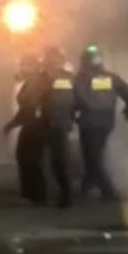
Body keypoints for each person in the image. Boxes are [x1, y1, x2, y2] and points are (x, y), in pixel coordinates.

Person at [73, 44, 128, 199]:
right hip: (106, 121)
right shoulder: (111, 77)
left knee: (92, 156)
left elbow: (76, 99)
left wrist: (70, 114)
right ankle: (86, 186)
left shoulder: (81, 78)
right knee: (93, 155)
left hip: (89, 121)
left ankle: (108, 190)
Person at [6, 53, 49, 205]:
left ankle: (36, 194)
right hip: (31, 125)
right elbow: (25, 108)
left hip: (36, 127)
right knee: (26, 158)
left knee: (30, 159)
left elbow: (28, 108)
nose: (22, 69)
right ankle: (32, 193)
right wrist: (12, 124)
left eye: (25, 65)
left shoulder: (37, 82)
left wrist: (12, 124)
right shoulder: (33, 81)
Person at [38, 46, 79, 208]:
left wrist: (72, 117)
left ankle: (65, 195)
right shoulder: (42, 77)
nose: (53, 61)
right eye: (50, 58)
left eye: (56, 58)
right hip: (44, 121)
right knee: (40, 160)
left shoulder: (68, 78)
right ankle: (45, 193)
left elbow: (77, 99)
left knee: (59, 161)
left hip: (59, 123)